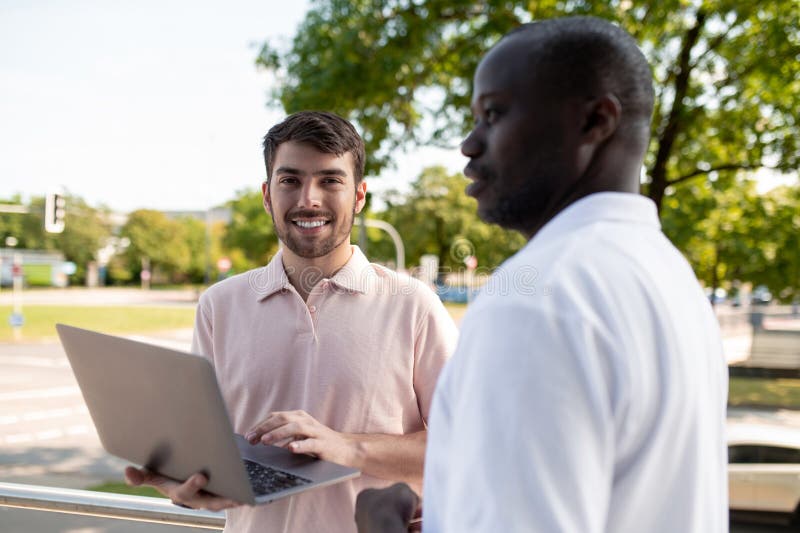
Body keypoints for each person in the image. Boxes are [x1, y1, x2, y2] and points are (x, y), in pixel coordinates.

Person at [355, 16, 727, 533]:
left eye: (493, 114)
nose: (468, 144)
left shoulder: (537, 298)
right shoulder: (668, 276)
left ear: (595, 121)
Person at [125, 111, 458, 533]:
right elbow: (211, 447)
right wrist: (185, 486)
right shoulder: (219, 306)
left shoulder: (414, 305)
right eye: (290, 180)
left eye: (330, 180)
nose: (308, 199)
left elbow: (464, 445)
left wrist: (346, 446)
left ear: (359, 196)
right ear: (267, 195)